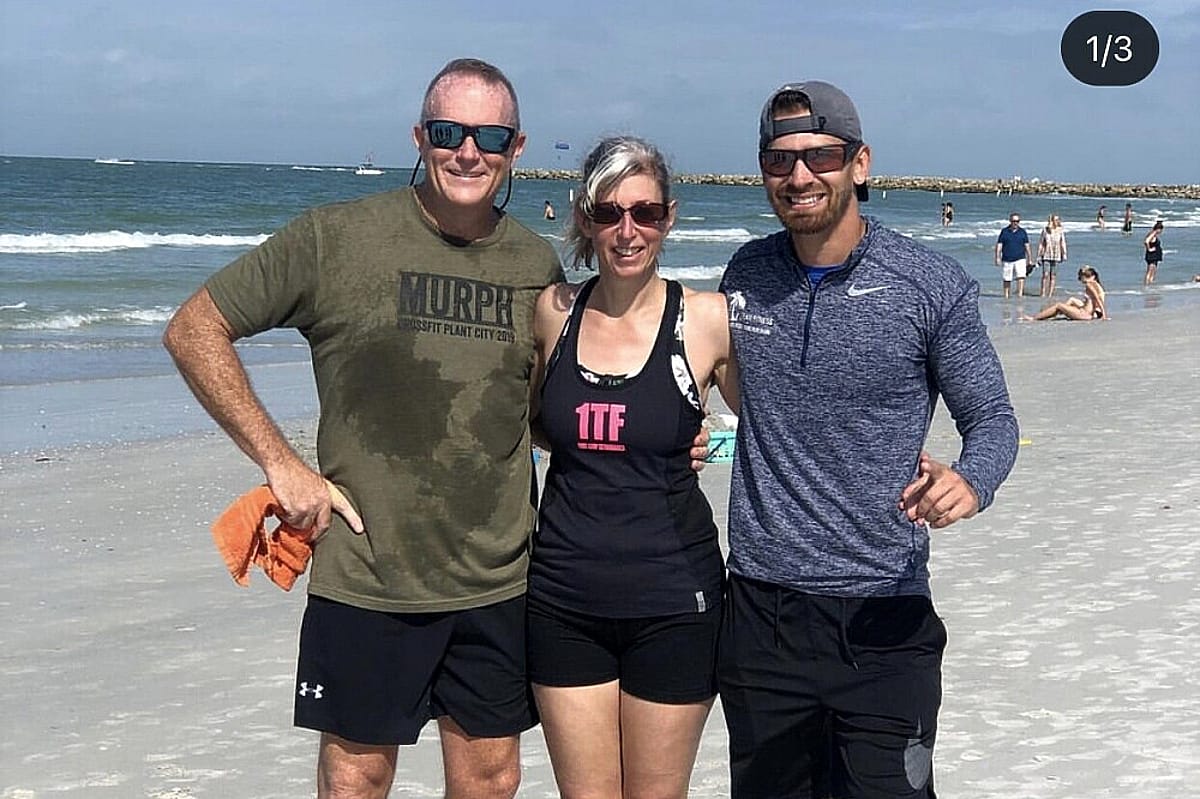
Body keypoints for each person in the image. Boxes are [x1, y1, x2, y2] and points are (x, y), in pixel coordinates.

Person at [162, 58, 565, 799]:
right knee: (356, 780)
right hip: (369, 575)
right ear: (419, 135)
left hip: (498, 577)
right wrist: (282, 464)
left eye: (490, 136)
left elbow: (536, 413)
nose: (468, 151)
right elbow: (195, 329)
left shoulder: (535, 263)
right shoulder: (336, 238)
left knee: (490, 778)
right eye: (449, 131)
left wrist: (656, 438)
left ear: (517, 147)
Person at [717, 80, 1019, 798]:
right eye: (779, 160)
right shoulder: (744, 275)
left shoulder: (927, 284)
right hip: (762, 615)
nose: (798, 176)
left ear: (860, 162)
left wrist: (972, 480)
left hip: (884, 616)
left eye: (820, 155)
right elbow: (703, 375)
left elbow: (994, 418)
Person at [527, 136, 738, 798]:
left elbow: (775, 424)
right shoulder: (554, 312)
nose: (628, 230)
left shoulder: (703, 320)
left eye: (645, 213)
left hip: (676, 600)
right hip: (565, 599)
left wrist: (709, 441)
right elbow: (538, 423)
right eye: (610, 212)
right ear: (586, 217)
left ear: (668, 217)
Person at [1025, 266, 1107, 321]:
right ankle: (1058, 312)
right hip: (1091, 313)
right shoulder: (1098, 285)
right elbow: (1097, 300)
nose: (1081, 279)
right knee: (1072, 300)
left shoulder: (1089, 285)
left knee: (1058, 305)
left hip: (1085, 314)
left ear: (1091, 277)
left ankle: (1034, 318)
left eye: (1082, 277)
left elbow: (1097, 299)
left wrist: (1104, 315)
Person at [995, 211, 1033, 298]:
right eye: (1014, 221)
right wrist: (997, 257)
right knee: (1007, 278)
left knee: (1021, 277)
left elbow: (1027, 245)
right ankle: (1006, 295)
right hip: (1007, 259)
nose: (1015, 223)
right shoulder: (1004, 232)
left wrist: (1029, 258)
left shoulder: (1022, 232)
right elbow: (999, 244)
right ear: (1010, 221)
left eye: (1017, 221)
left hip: (1020, 258)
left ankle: (1020, 294)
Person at [1036, 213, 1068, 297]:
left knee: (1053, 275)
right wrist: (1039, 255)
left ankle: (1050, 294)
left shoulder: (1060, 230)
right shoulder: (1046, 230)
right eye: (1055, 220)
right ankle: (1042, 293)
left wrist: (1064, 254)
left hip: (1056, 255)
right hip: (1046, 254)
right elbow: (1041, 243)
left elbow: (1062, 242)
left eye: (1058, 220)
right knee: (1045, 274)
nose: (1057, 221)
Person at [1144, 220, 1164, 285]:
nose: (1161, 232)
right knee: (1150, 271)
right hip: (1152, 255)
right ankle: (1147, 285)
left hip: (1154, 255)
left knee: (1153, 271)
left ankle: (1150, 285)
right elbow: (1146, 241)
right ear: (1158, 229)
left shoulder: (1153, 234)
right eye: (1161, 230)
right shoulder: (1153, 234)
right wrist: (1149, 249)